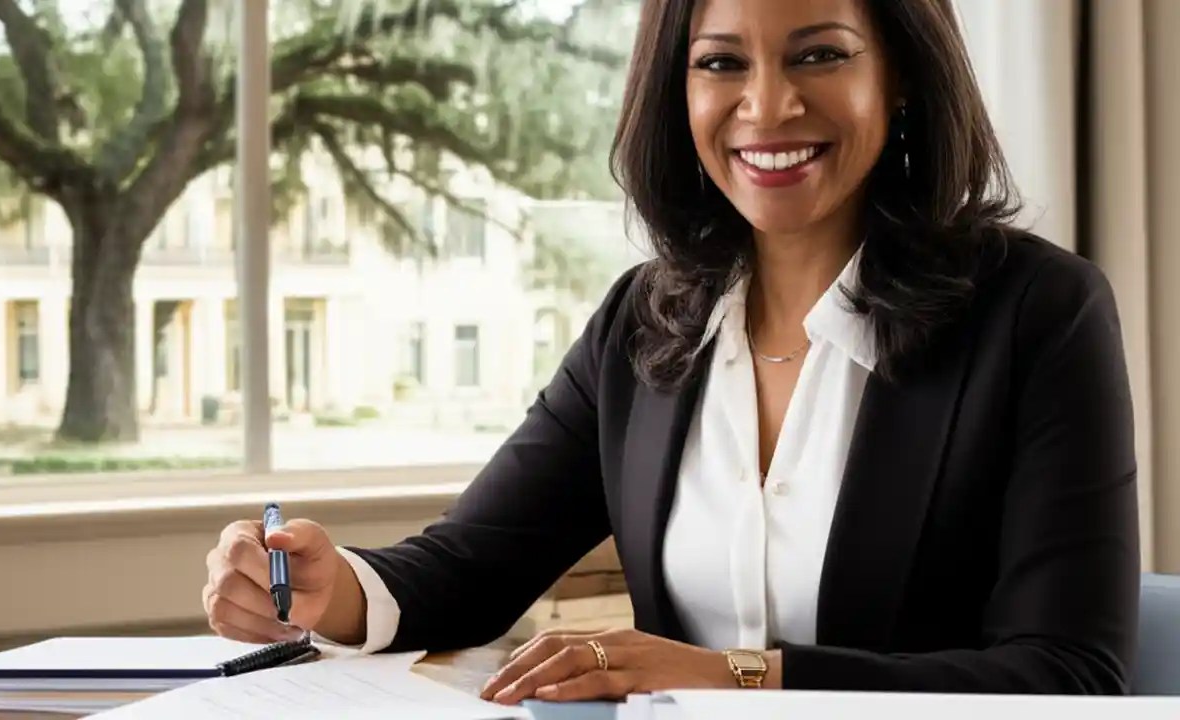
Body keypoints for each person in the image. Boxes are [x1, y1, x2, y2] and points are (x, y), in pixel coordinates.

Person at [202, 0, 1140, 703]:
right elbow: (473, 563)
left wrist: (736, 677)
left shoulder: (1037, 313)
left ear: (899, 80)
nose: (766, 104)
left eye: (819, 54)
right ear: (679, 93)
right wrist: (332, 592)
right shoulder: (648, 320)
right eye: (721, 63)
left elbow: (1068, 676)